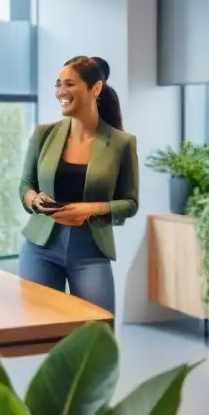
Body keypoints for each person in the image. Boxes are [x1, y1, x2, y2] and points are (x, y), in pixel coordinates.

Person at [18, 56, 139, 315]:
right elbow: (26, 184)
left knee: (97, 334)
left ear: (95, 89)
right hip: (40, 248)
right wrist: (34, 200)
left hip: (91, 252)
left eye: (69, 84)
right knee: (39, 331)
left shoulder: (121, 143)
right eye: (58, 84)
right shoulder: (43, 134)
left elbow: (130, 203)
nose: (61, 92)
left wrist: (90, 209)